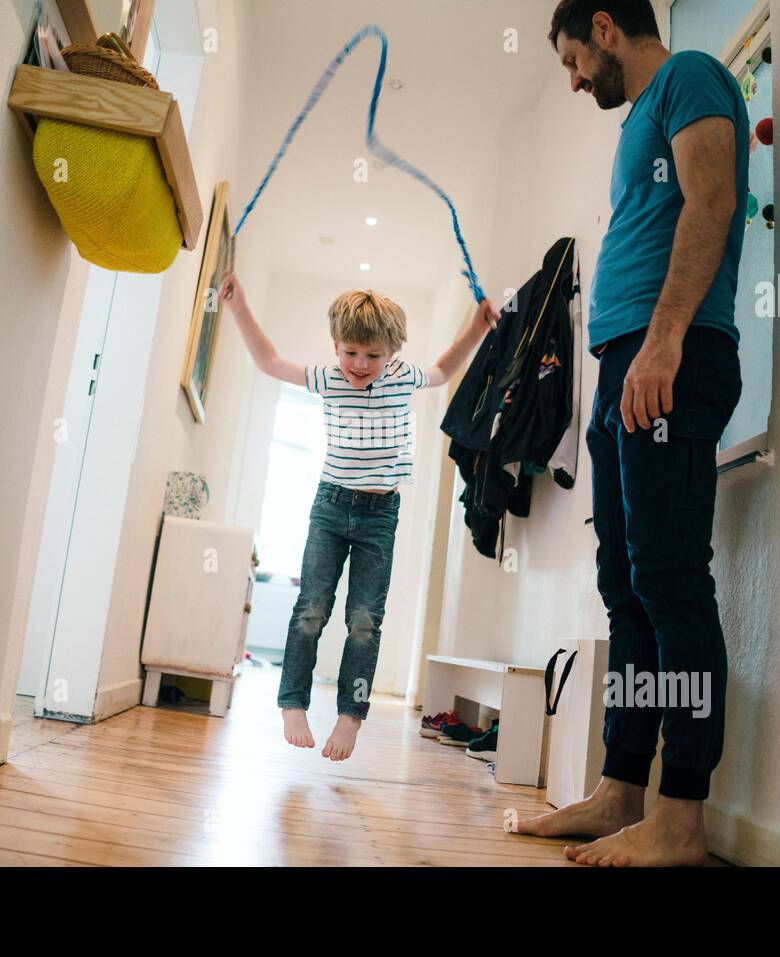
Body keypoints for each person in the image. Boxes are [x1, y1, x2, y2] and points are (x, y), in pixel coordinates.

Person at [517, 0, 748, 866]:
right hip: (630, 367)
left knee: (671, 580)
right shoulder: (634, 129)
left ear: (606, 27)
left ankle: (682, 817)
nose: (575, 80)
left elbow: (714, 199)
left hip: (672, 358)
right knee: (625, 583)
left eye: (576, 59)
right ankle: (622, 788)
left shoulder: (689, 79)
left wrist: (662, 342)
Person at [219, 273, 499, 760]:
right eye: (350, 352)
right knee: (311, 610)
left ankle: (351, 716)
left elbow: (442, 371)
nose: (360, 365)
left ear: (390, 353)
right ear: (336, 345)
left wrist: (477, 329)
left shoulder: (402, 376)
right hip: (330, 506)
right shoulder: (327, 378)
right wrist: (240, 305)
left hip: (379, 514)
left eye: (373, 356)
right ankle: (292, 702)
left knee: (365, 620)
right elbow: (267, 361)